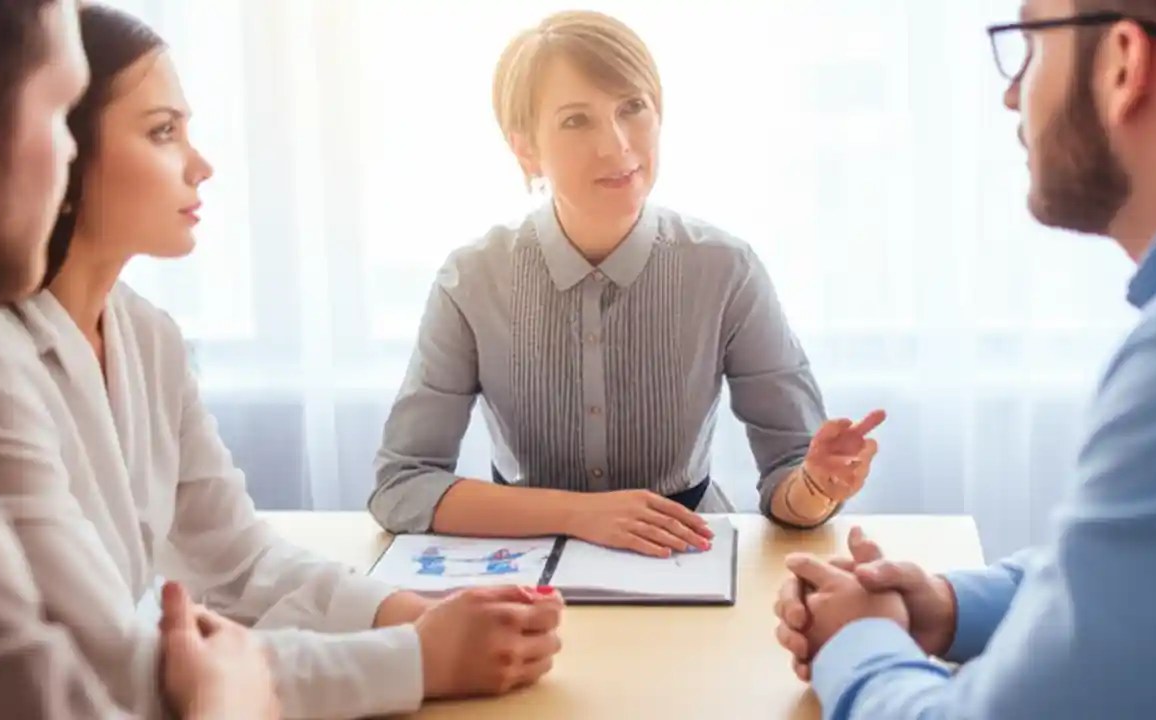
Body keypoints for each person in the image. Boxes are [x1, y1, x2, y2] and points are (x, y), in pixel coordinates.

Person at [0, 4, 563, 719]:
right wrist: (421, 657)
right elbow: (103, 667)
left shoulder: (147, 334)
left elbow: (237, 560)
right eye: (162, 132)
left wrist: (412, 613)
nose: (201, 165)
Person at [774, 0, 1156, 717]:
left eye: (1030, 46)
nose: (1011, 93)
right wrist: (948, 607)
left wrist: (856, 645)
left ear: (1123, 64)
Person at [370, 9, 886, 557]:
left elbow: (791, 478)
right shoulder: (471, 279)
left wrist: (816, 486)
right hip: (523, 572)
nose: (616, 145)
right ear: (524, 147)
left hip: (688, 559)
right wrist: (581, 514)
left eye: (632, 108)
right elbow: (403, 485)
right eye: (576, 120)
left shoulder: (725, 269)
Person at [0, 1, 278, 718]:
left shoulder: (148, 334)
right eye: (60, 116)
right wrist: (231, 700)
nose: (67, 155)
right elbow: (94, 681)